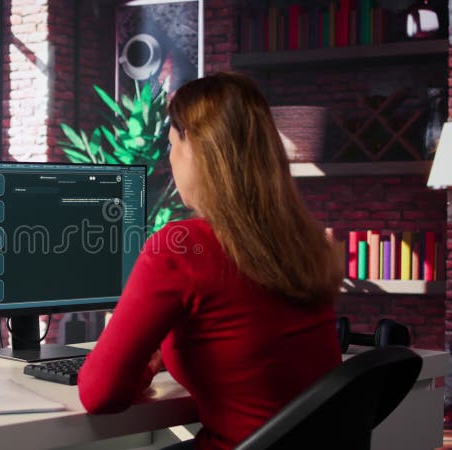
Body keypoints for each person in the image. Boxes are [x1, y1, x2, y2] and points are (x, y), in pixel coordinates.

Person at [77, 72, 343, 450]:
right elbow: (242, 346)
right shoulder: (305, 245)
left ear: (198, 149)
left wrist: (141, 368)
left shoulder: (180, 246)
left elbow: (100, 394)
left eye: (171, 143)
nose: (169, 159)